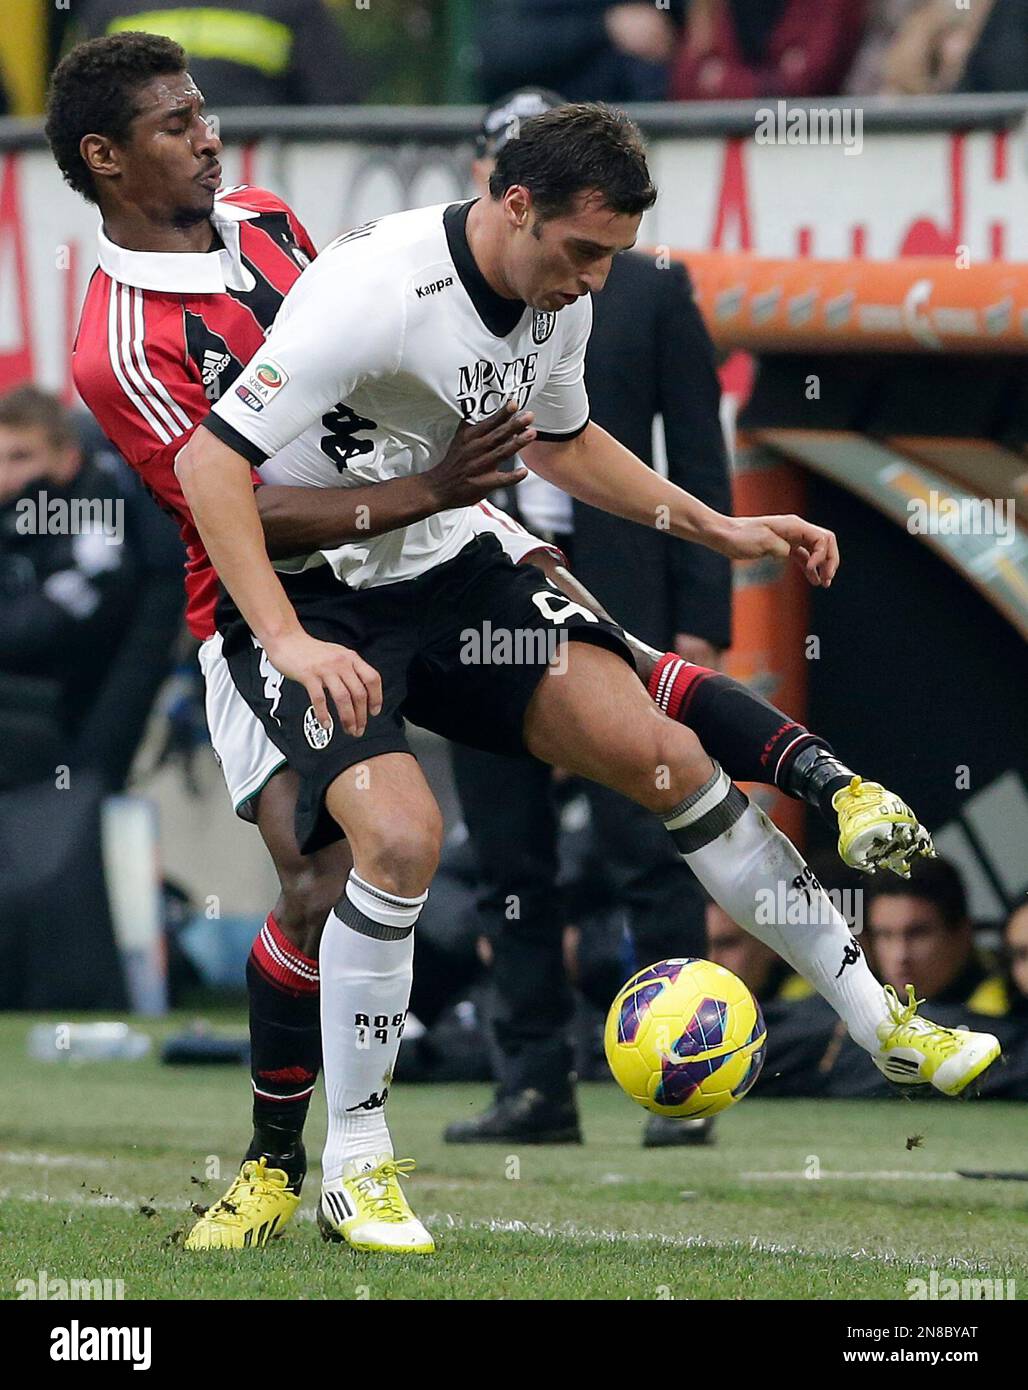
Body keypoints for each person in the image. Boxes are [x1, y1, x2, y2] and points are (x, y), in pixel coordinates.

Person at [49, 33, 937, 1253]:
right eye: (173, 124)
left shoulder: (268, 220)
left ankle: (878, 1015)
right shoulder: (117, 348)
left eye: (204, 111)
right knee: (335, 878)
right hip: (283, 605)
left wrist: (680, 522)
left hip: (441, 558)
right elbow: (229, 496)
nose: (210, 135)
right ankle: (280, 1165)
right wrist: (401, 514)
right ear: (102, 158)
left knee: (658, 747)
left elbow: (418, 401)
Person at [445, 86, 733, 1149]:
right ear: (502, 193)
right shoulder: (440, 287)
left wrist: (701, 617)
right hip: (476, 591)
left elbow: (695, 454)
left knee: (648, 834)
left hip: (615, 594)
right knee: (505, 855)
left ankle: (683, 1074)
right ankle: (533, 1082)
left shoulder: (646, 289)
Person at [0, 386, 136, 789]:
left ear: (67, 460)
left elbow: (30, 628)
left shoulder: (95, 534)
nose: (5, 475)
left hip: (58, 728)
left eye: (21, 457)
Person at [64, 0, 357, 105]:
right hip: (145, 195)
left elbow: (334, 104)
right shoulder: (106, 5)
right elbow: (85, 99)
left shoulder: (292, 5)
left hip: (262, 194)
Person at [865, 857, 1003, 1010]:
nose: (900, 955)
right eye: (884, 935)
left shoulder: (1007, 1010)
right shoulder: (863, 1012)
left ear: (961, 933)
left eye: (917, 934)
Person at [669, 0, 868, 101]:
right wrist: (773, 81)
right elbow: (685, 82)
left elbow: (810, 82)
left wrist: (721, 81)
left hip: (811, 147)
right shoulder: (713, 8)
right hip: (715, 145)